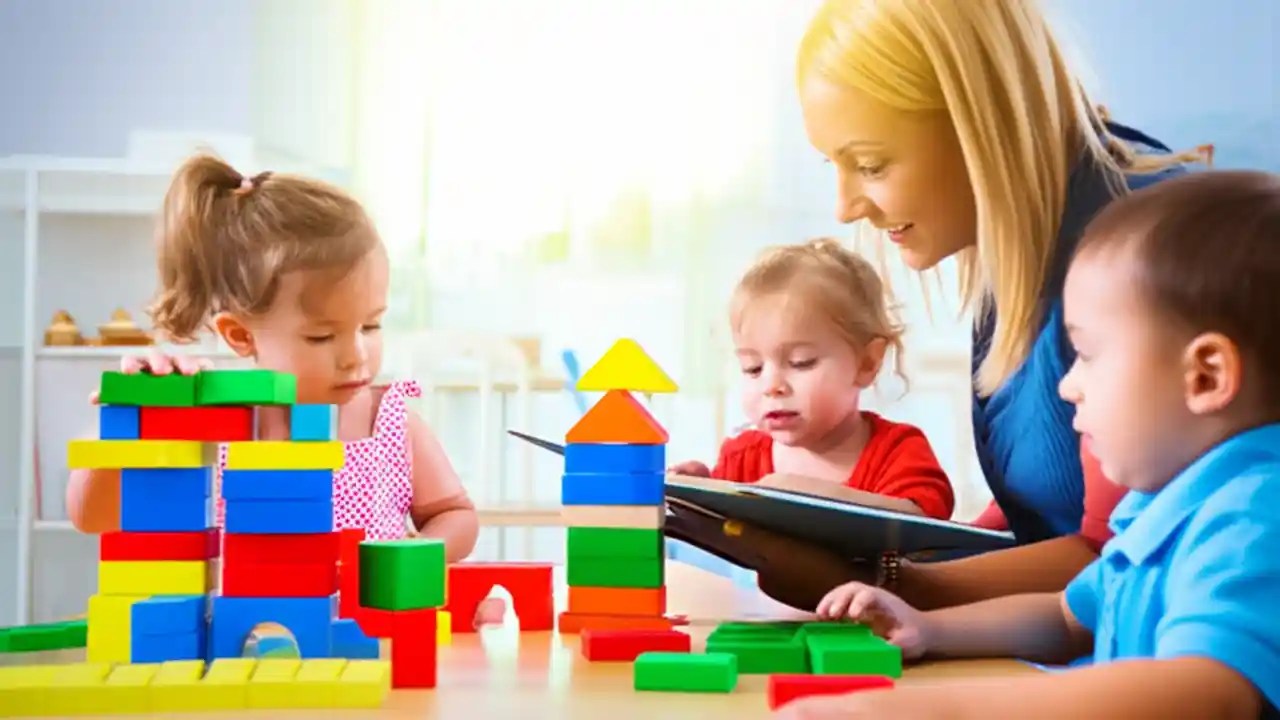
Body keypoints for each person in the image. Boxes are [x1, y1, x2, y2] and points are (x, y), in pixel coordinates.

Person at [722, 0, 1214, 612]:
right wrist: (896, 547)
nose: (845, 208)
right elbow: (1042, 512)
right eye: (834, 165)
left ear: (982, 126)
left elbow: (1114, 555)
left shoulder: (1135, 253)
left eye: (870, 164)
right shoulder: (1018, 245)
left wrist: (889, 580)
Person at [787, 170, 1280, 720]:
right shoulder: (1160, 511)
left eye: (1086, 354)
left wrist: (940, 711)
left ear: (1206, 376)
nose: (1068, 386)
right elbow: (1066, 619)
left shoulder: (1254, 517)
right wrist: (928, 628)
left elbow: (1206, 692)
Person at [66, 153, 480, 562]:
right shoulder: (213, 428)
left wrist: (414, 555)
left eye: (370, 326)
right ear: (241, 335)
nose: (356, 356)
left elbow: (454, 514)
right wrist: (138, 421)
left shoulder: (388, 422)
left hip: (365, 610)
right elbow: (91, 517)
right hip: (242, 610)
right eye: (321, 336)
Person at [669, 238, 955, 520]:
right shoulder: (740, 459)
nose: (772, 386)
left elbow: (924, 521)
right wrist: (702, 493)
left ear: (867, 363)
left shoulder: (897, 451)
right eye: (753, 368)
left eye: (801, 362)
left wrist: (795, 493)